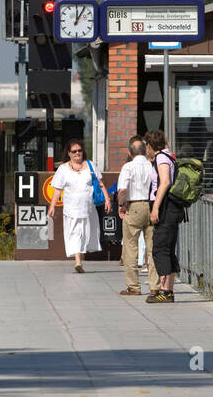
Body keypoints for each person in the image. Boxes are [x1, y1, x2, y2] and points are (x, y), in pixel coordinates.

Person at [44, 138, 110, 272]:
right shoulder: (63, 169)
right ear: (69, 153)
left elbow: (100, 183)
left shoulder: (90, 165)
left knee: (85, 233)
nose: (77, 153)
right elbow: (57, 189)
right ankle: (78, 261)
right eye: (74, 151)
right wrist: (52, 206)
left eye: (79, 150)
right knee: (74, 233)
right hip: (71, 209)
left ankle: (80, 258)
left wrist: (107, 199)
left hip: (88, 208)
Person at [116, 135, 158, 296]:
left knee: (130, 248)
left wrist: (121, 205)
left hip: (133, 206)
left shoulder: (128, 167)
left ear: (129, 152)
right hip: (151, 206)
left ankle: (133, 286)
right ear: (145, 151)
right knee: (152, 249)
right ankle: (154, 286)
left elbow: (122, 190)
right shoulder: (151, 165)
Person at [145, 130, 182, 303]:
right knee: (168, 247)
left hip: (166, 208)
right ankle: (169, 291)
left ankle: (165, 291)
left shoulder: (161, 158)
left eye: (147, 146)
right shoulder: (170, 156)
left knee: (160, 248)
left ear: (150, 146)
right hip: (172, 208)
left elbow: (165, 182)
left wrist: (155, 209)